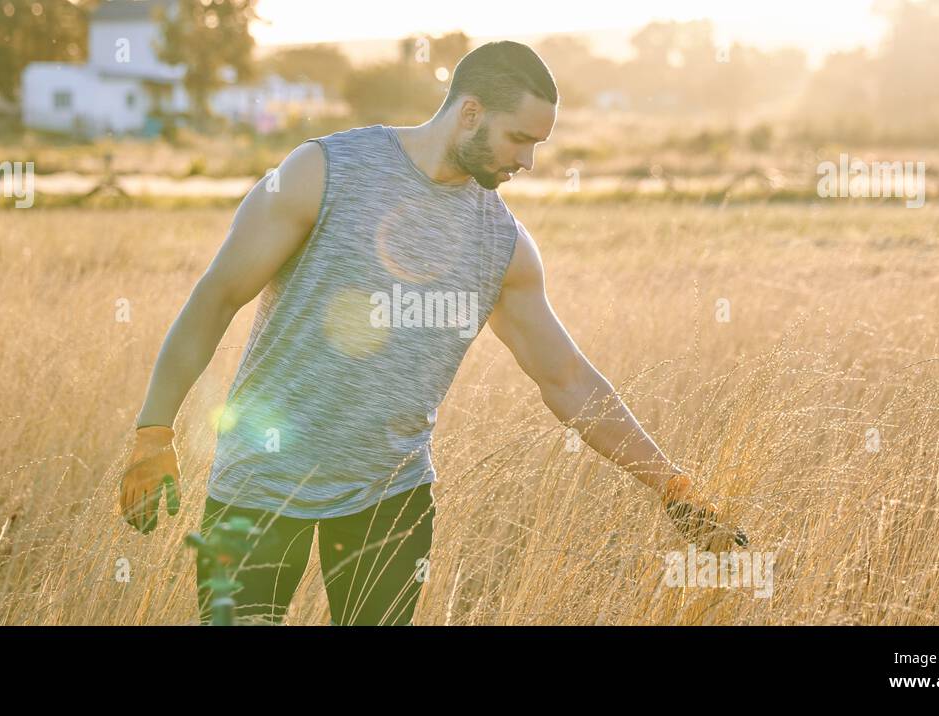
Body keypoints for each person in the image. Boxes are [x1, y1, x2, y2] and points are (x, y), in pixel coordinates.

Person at [118, 41, 747, 626]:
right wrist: (154, 432)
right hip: (259, 485)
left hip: (391, 501)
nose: (528, 161)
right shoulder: (323, 171)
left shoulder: (502, 244)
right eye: (520, 138)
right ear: (470, 112)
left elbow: (567, 378)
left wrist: (674, 487)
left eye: (538, 145)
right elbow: (217, 296)